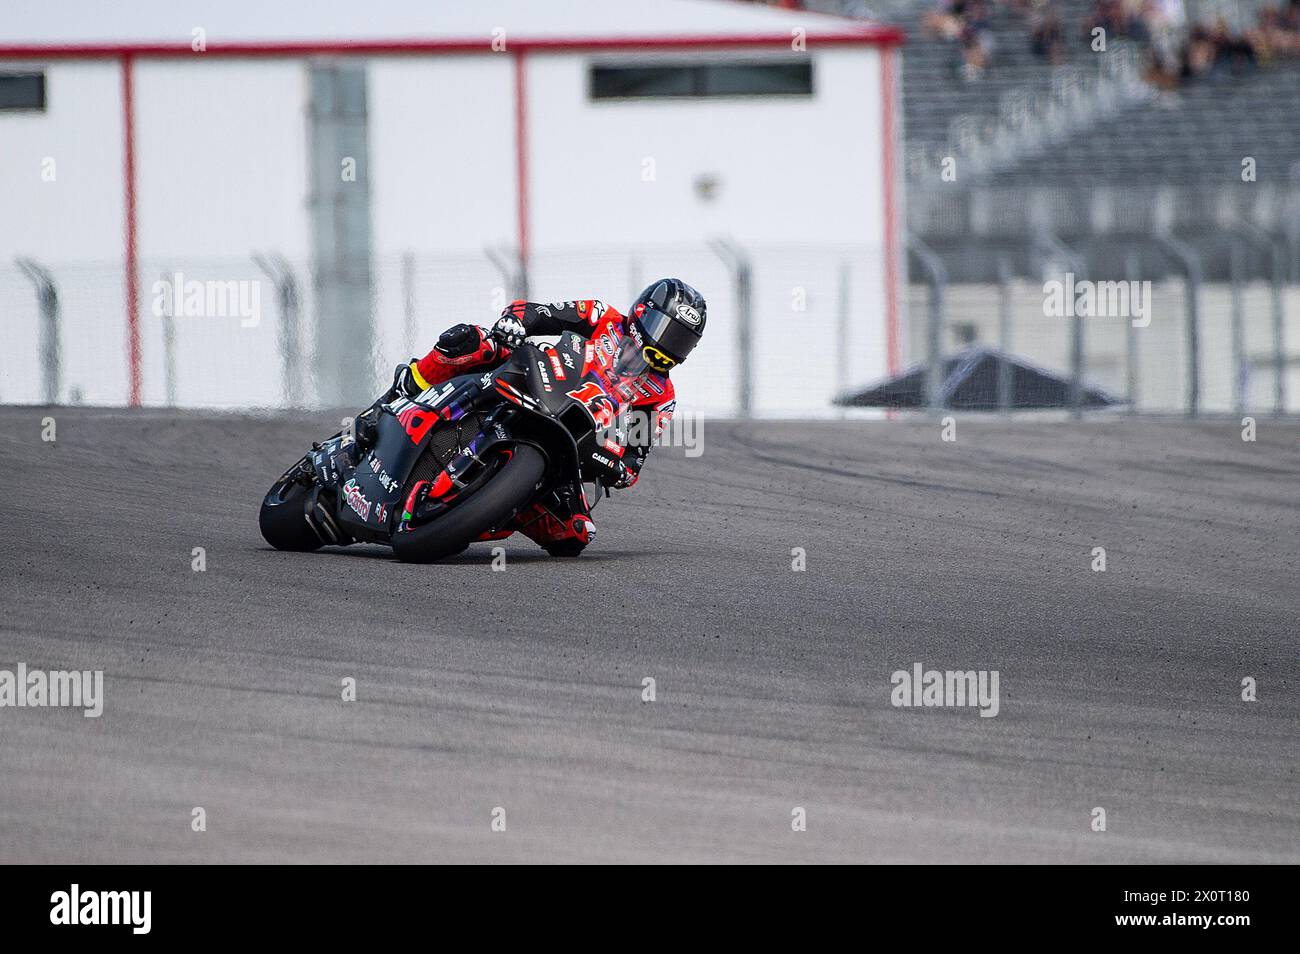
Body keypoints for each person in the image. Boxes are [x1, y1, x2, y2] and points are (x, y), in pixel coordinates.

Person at [382, 278, 706, 555]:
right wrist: (517, 323)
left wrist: (620, 469)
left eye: (681, 341)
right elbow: (541, 313)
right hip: (536, 381)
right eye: (665, 330)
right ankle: (407, 387)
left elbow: (636, 456)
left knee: (575, 535)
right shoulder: (601, 316)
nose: (668, 345)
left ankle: (489, 508)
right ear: (642, 313)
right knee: (473, 341)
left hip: (574, 445)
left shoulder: (662, 396)